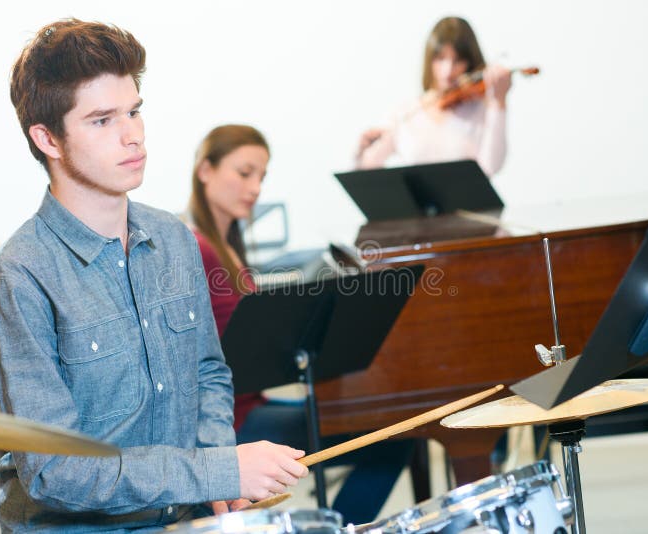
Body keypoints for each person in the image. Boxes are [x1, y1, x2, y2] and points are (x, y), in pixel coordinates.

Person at [0, 19, 307, 533]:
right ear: (48, 139)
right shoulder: (17, 281)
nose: (134, 135)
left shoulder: (173, 238)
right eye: (102, 120)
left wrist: (218, 473)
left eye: (134, 110)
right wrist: (214, 470)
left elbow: (208, 376)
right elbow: (57, 473)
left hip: (182, 517)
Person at [187, 124, 414, 524]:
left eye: (261, 176)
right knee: (393, 440)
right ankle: (334, 527)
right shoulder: (197, 247)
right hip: (235, 423)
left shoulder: (227, 249)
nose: (255, 187)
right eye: (244, 173)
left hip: (254, 405)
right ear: (205, 170)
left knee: (386, 431)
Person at [355, 16, 512, 177]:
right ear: (430, 59)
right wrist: (362, 154)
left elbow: (492, 166)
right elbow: (370, 167)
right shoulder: (405, 113)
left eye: (458, 60)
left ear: (470, 63)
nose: (448, 71)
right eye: (440, 58)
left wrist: (498, 102)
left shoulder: (482, 110)